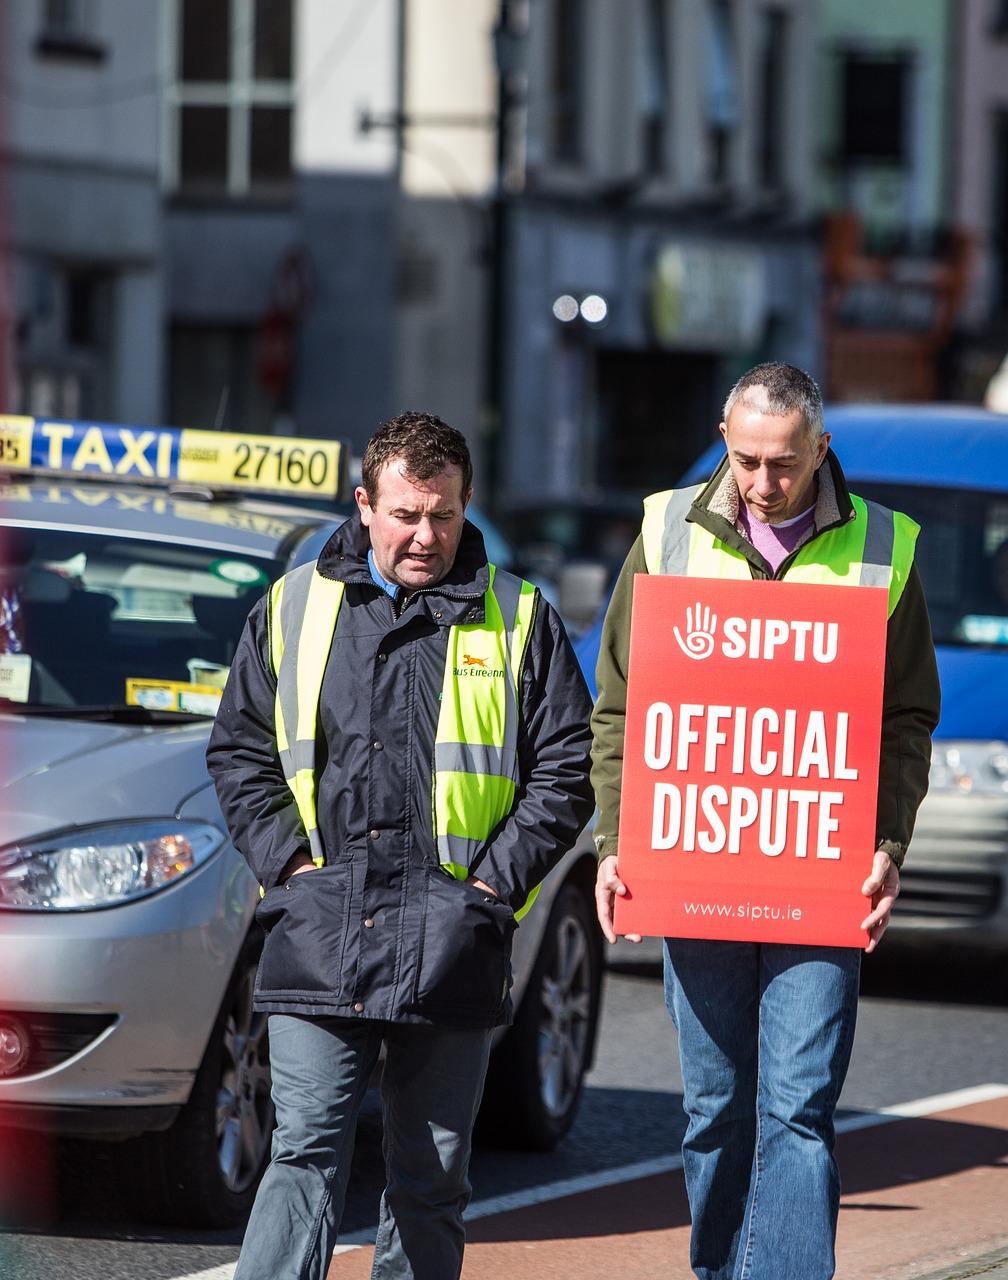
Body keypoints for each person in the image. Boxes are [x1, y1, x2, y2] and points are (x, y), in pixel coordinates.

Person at [207, 410, 593, 1280]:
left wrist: (491, 892)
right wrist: (293, 871)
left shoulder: (521, 617)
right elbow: (239, 749)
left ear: (466, 505)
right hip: (320, 928)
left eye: (445, 514)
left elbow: (566, 770)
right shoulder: (295, 606)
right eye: (408, 514)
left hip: (451, 940)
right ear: (365, 506)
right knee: (302, 1152)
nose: (427, 535)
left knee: (429, 1178)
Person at [591, 363, 940, 1280]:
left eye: (782, 462)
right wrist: (613, 842)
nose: (761, 482)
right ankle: (719, 1269)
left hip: (820, 872)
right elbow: (619, 709)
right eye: (744, 458)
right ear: (721, 434)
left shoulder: (885, 546)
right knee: (715, 1107)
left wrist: (887, 844)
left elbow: (905, 718)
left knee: (796, 1106)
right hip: (694, 864)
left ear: (821, 448)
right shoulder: (665, 530)